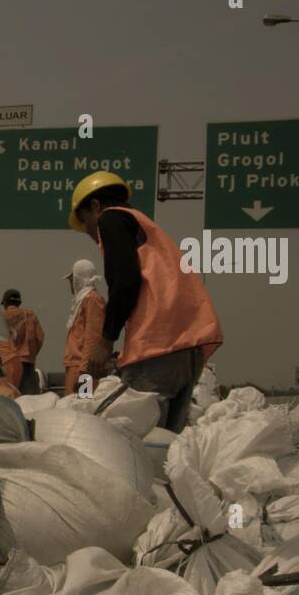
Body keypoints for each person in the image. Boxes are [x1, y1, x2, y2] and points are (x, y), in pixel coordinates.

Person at [69, 170, 223, 433]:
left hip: (157, 346)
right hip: (188, 347)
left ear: (96, 206)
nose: (89, 232)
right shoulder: (146, 227)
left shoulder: (111, 218)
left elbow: (126, 280)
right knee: (167, 444)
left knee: (139, 442)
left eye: (85, 222)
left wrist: (106, 342)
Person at [62, 259, 107, 396]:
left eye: (72, 279)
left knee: (81, 410)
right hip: (76, 367)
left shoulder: (91, 299)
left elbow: (93, 338)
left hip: (83, 369)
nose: (70, 283)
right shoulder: (82, 300)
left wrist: (84, 373)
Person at [1, 289, 44, 395]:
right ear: (19, 302)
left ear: (5, 303)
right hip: (27, 364)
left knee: (11, 401)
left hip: (7, 365)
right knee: (31, 402)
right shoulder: (29, 314)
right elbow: (40, 337)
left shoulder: (0, 317)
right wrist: (31, 355)